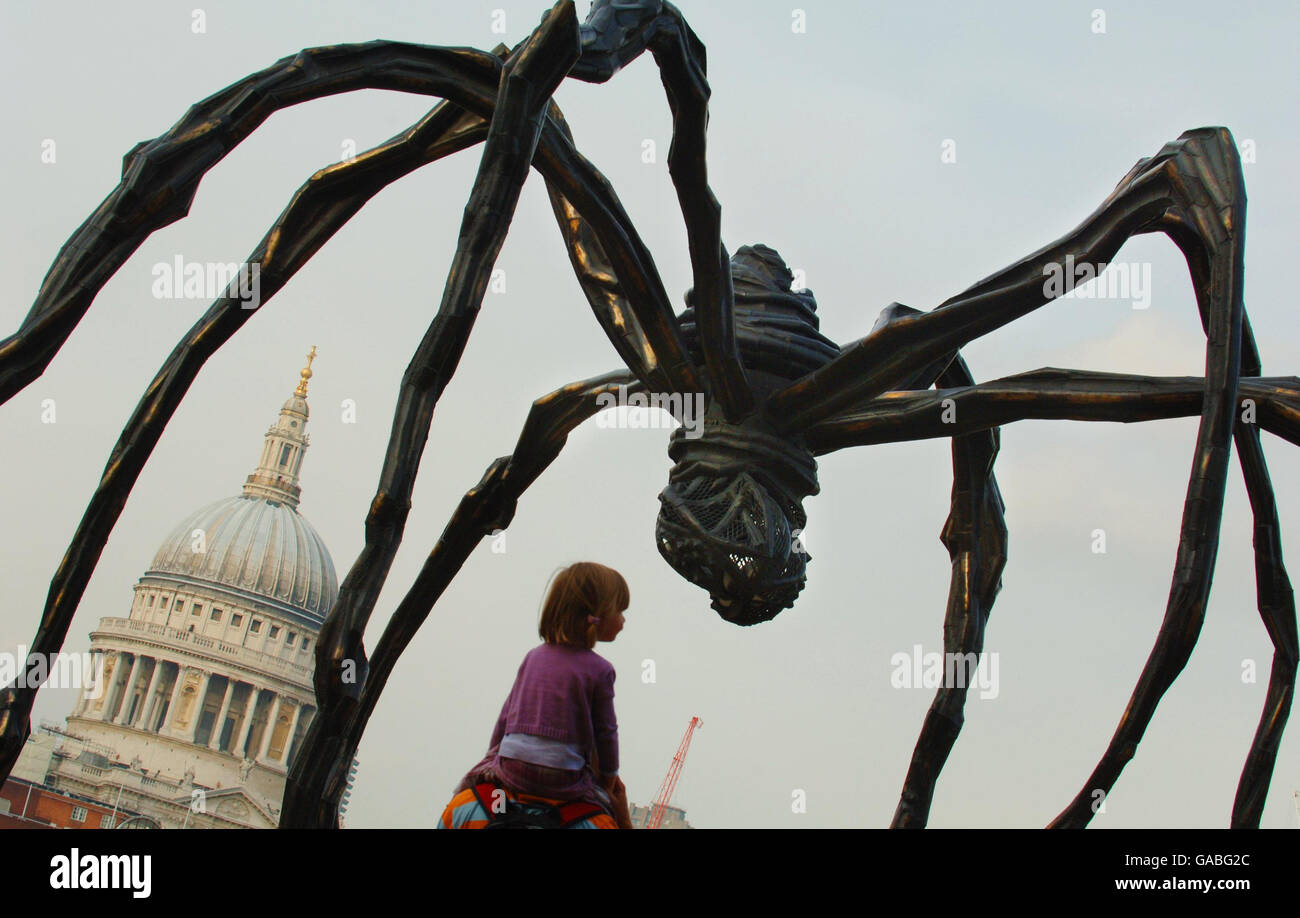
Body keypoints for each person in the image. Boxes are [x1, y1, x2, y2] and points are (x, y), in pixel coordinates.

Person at [439, 561, 633, 829]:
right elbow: (606, 733)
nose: (624, 620)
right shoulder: (601, 670)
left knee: (466, 783)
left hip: (511, 768)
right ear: (598, 615)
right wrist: (609, 782)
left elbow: (505, 719)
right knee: (601, 801)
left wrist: (492, 761)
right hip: (564, 780)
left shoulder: (533, 657)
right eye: (620, 610)